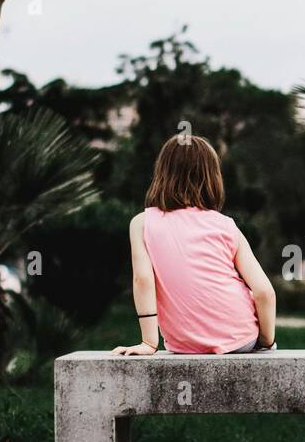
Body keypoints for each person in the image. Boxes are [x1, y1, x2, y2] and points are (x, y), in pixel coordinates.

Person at [112, 134, 276, 355]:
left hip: (183, 344)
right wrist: (266, 340)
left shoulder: (142, 223)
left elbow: (142, 280)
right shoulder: (226, 225)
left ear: (162, 173)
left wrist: (149, 343)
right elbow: (264, 291)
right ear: (212, 177)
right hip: (241, 338)